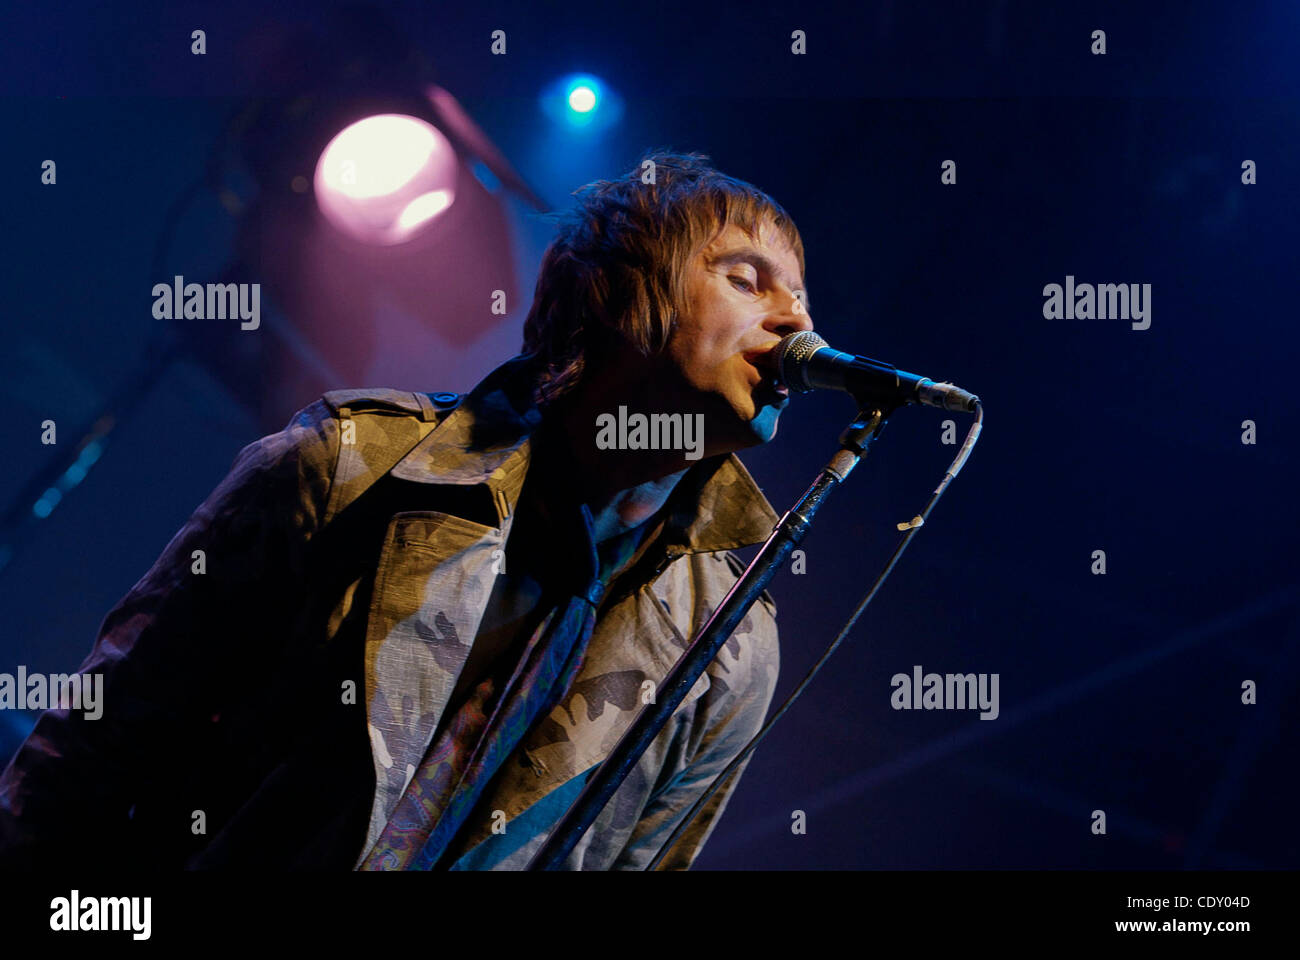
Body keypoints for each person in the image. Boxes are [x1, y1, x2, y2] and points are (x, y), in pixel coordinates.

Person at [0, 150, 814, 870]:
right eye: (747, 280)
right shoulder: (349, 467)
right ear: (618, 296)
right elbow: (92, 748)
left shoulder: (731, 646)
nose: (795, 321)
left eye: (802, 299)